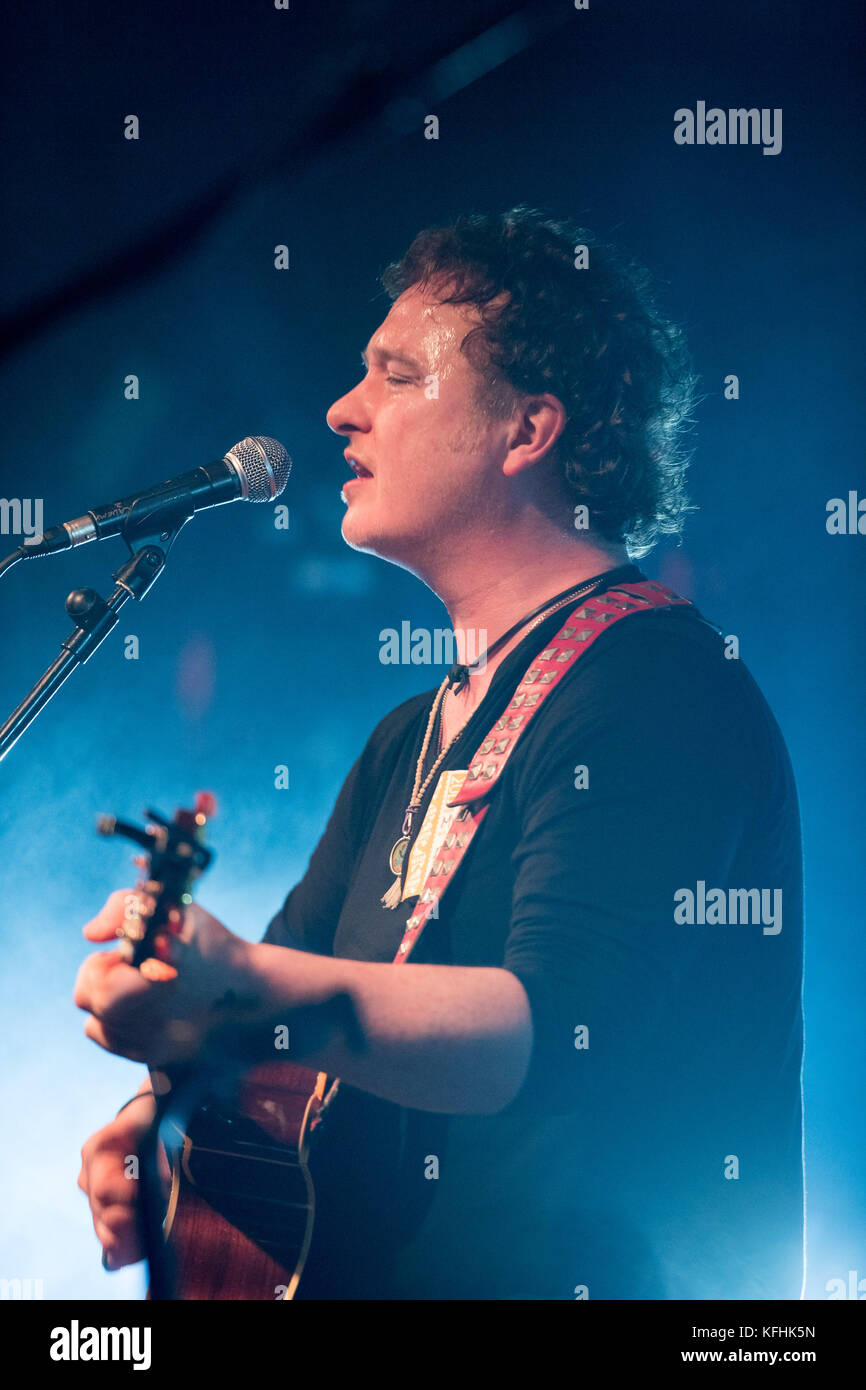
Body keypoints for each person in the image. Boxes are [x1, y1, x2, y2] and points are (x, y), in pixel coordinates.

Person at [76, 207, 804, 1300]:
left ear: (526, 431)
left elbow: (555, 1028)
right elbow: (281, 1046)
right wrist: (156, 1118)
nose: (339, 410)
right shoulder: (403, 742)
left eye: (395, 376)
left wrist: (233, 984)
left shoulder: (659, 684)